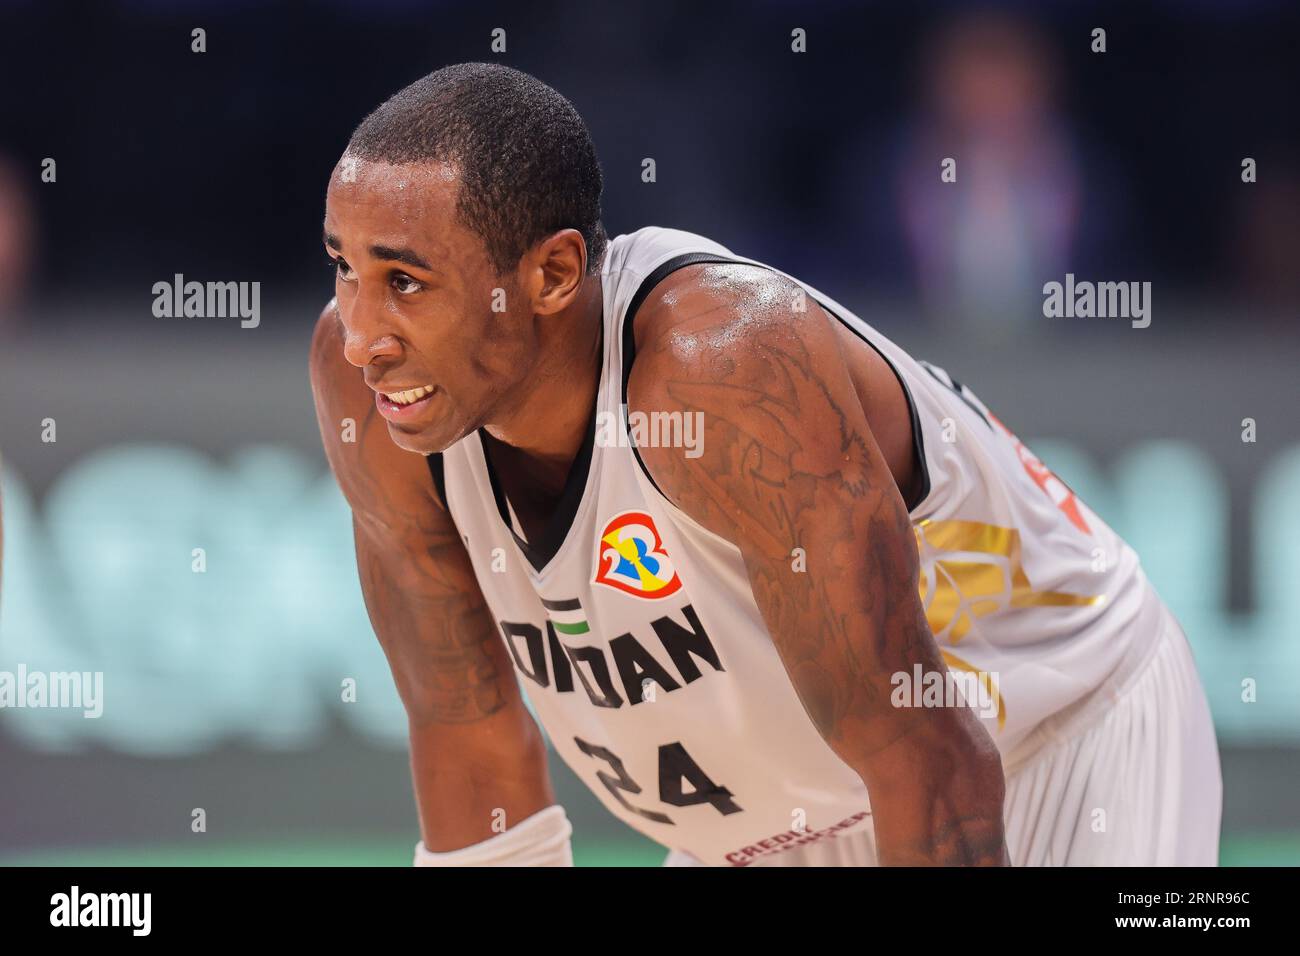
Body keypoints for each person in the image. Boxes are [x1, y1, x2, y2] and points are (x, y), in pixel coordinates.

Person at [309, 63, 1221, 867]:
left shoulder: (721, 375)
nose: (360, 338)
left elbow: (924, 754)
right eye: (342, 267)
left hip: (1049, 740)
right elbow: (469, 736)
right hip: (784, 822)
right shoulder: (378, 400)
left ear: (551, 275)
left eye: (405, 282)